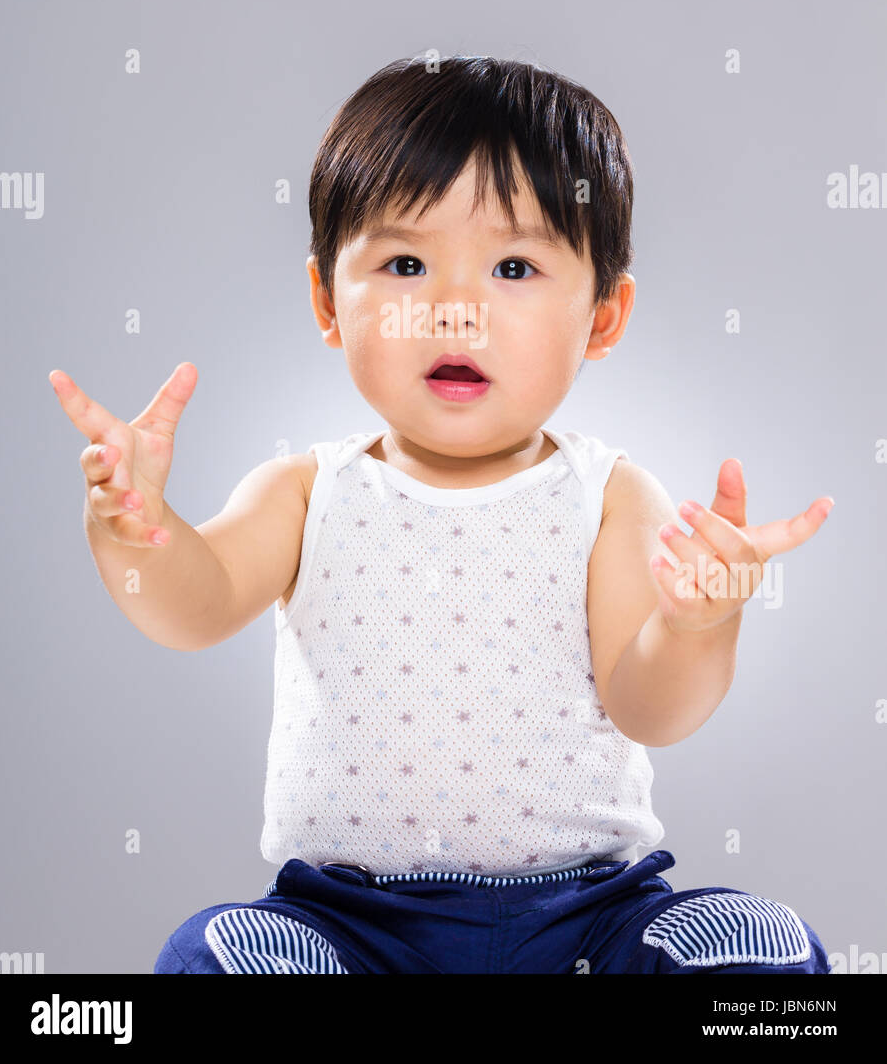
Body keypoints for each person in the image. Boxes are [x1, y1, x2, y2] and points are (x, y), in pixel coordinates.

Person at [50, 54, 834, 974]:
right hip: (352, 927)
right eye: (406, 263)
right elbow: (194, 604)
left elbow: (649, 706)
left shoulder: (611, 498)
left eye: (513, 266)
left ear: (604, 317)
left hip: (587, 920)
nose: (457, 311)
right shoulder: (306, 492)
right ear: (326, 302)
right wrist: (134, 526)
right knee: (217, 957)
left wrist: (701, 623)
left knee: (764, 954)